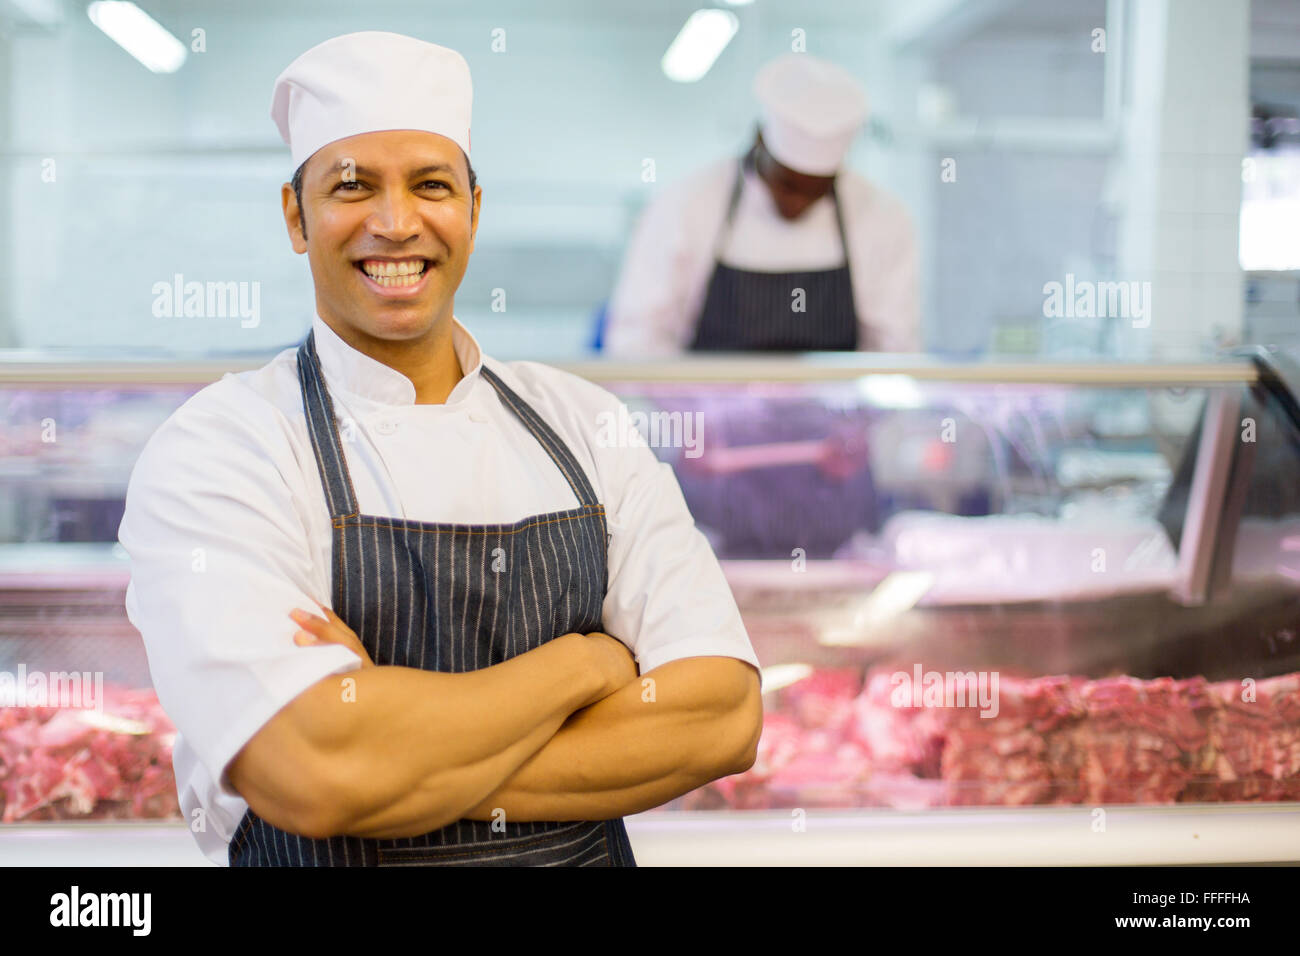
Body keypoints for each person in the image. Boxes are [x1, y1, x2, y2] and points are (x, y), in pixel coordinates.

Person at [117, 31, 762, 867]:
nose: (395, 223)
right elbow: (312, 766)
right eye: (352, 187)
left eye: (430, 185)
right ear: (295, 216)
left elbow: (721, 718)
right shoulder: (223, 447)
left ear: (473, 209)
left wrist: (395, 762)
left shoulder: (585, 423)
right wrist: (583, 664)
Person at [604, 53, 920, 354]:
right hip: (710, 407)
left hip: (835, 409)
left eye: (816, 191)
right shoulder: (688, 204)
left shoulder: (881, 216)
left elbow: (895, 349)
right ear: (758, 143)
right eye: (787, 184)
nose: (796, 204)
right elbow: (637, 340)